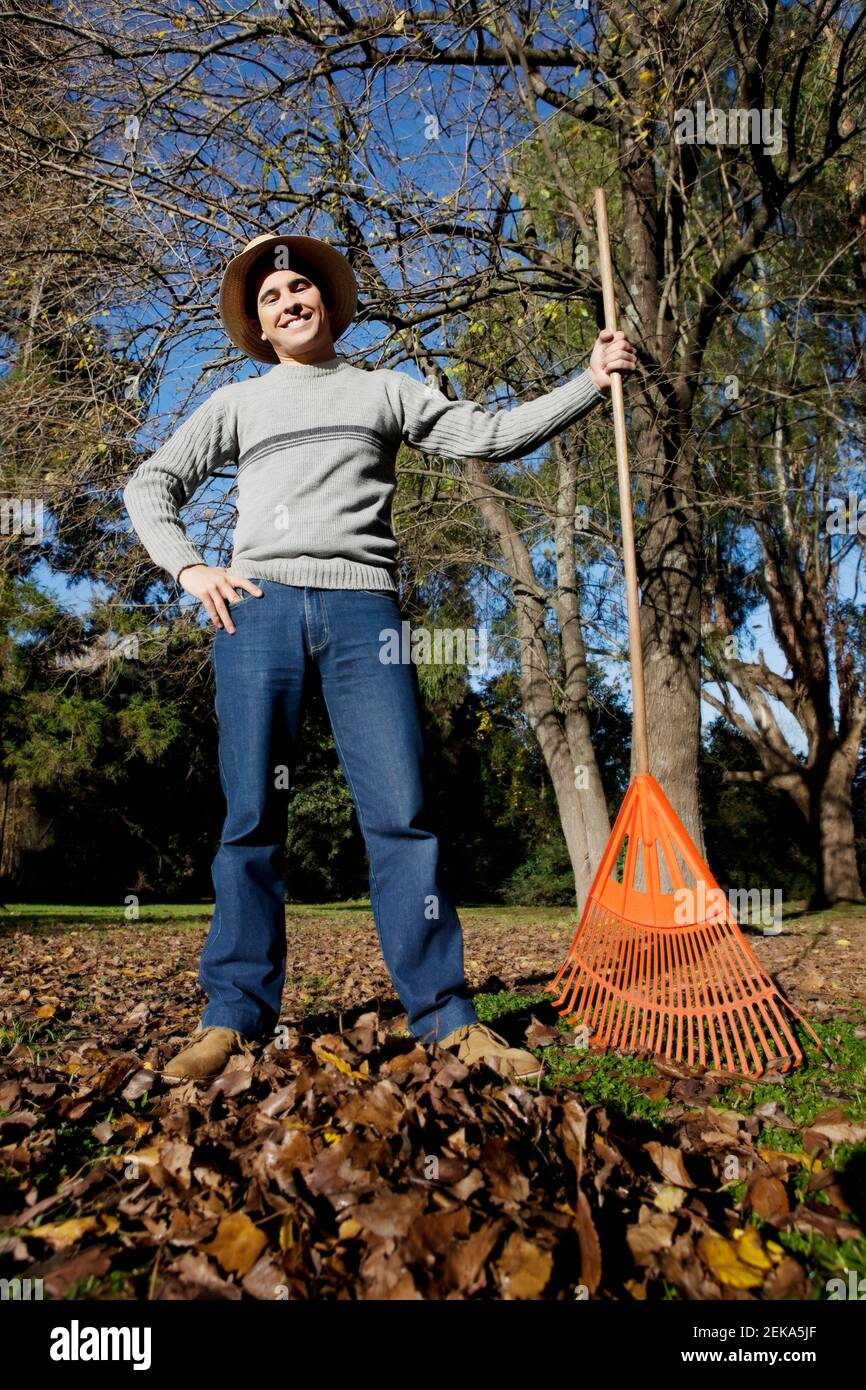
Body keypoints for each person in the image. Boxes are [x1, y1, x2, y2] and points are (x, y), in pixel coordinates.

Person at [122, 231, 638, 1083]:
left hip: (366, 616)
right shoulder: (236, 405)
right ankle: (232, 1018)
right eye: (272, 298)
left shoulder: (385, 390)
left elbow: (493, 434)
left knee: (402, 813)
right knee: (252, 818)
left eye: (300, 288)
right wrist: (189, 566)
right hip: (257, 613)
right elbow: (150, 485)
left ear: (325, 300)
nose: (289, 302)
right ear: (258, 324)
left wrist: (590, 380)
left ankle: (444, 1016)